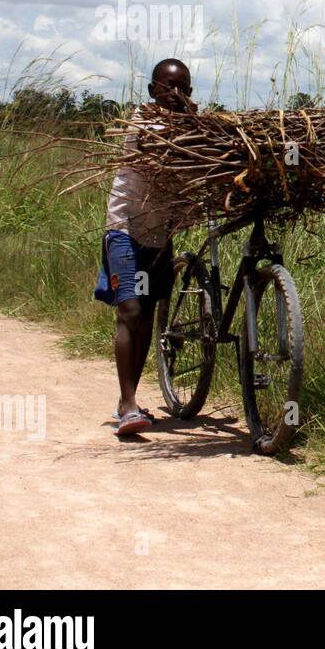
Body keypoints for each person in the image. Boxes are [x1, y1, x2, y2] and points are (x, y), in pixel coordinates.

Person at [93, 59, 194, 436]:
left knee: (147, 315)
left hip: (158, 236)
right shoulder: (142, 121)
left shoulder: (190, 128)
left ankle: (127, 402)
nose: (176, 94)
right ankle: (129, 403)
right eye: (169, 87)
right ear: (153, 90)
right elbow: (162, 149)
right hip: (124, 229)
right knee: (130, 311)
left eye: (184, 87)